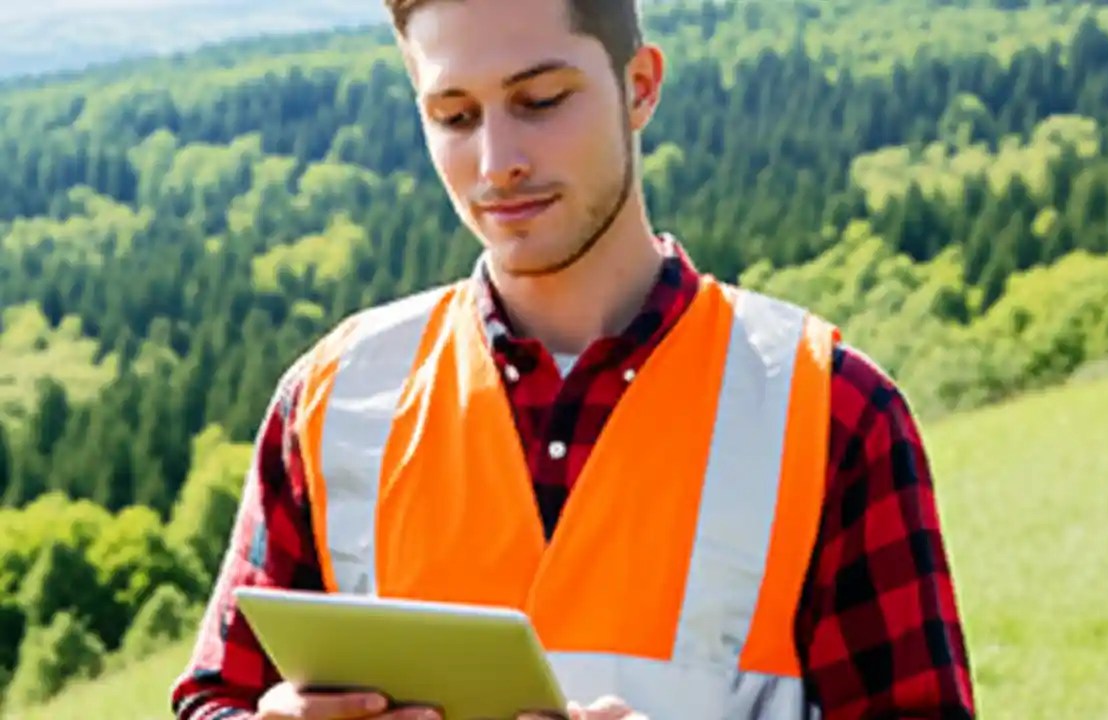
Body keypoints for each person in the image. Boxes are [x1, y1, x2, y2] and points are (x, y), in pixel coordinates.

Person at [170, 0, 976, 717]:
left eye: (540, 101)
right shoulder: (330, 401)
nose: (496, 163)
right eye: (454, 116)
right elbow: (216, 699)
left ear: (641, 87)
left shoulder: (831, 412)